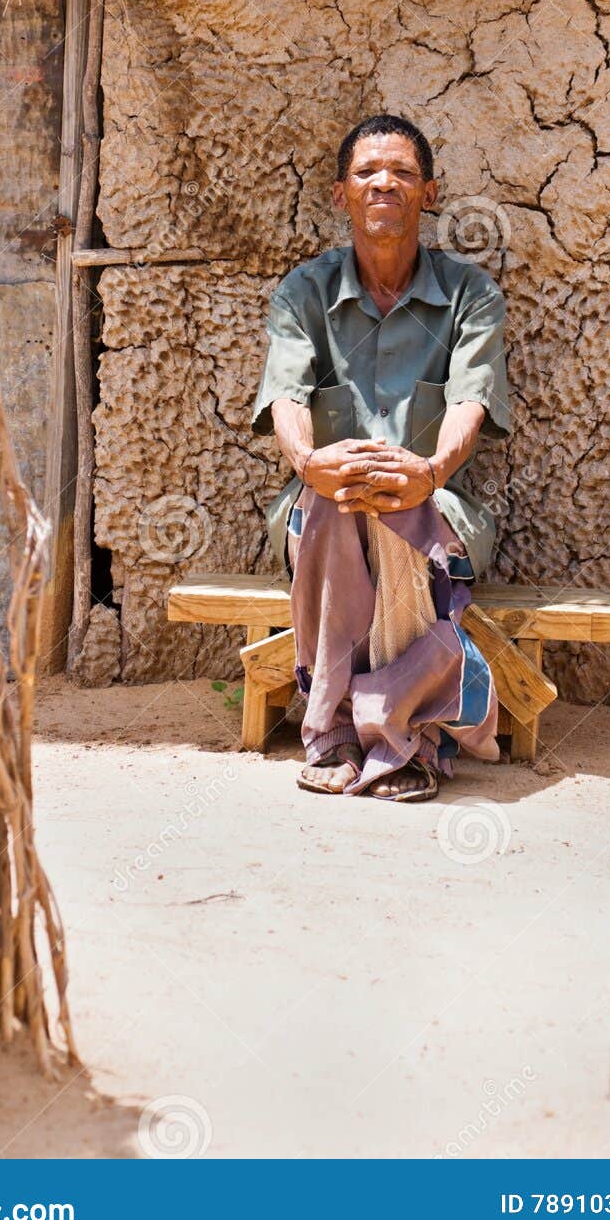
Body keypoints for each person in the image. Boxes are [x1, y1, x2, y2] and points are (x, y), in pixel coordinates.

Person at [251, 114, 510, 800]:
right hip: (317, 509)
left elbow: (470, 404)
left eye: (401, 172)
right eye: (366, 172)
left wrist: (425, 472)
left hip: (439, 505)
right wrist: (309, 463)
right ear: (341, 194)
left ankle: (345, 733)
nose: (383, 184)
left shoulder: (469, 295)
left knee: (400, 512)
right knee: (339, 507)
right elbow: (286, 394)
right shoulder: (303, 293)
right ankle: (396, 738)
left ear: (427, 192)